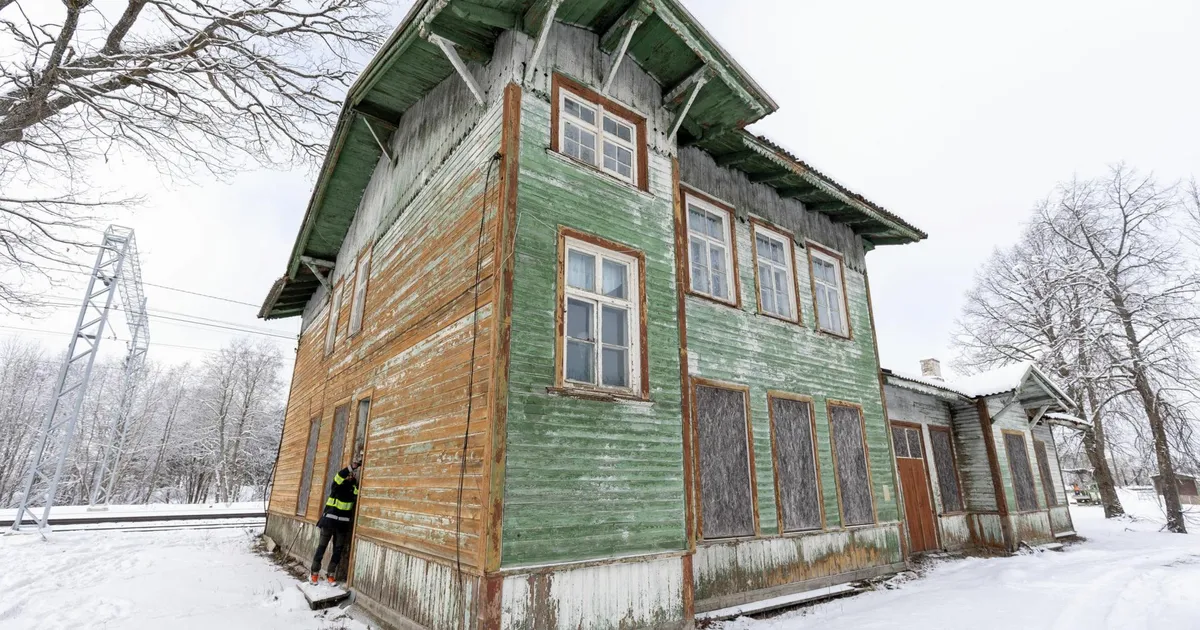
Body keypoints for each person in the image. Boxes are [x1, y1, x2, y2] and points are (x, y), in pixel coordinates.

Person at [310, 456, 361, 585]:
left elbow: (358, 493)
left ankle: (331, 575)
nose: (349, 477)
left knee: (337, 551)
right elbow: (339, 475)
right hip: (329, 523)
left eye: (351, 476)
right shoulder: (336, 486)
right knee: (321, 548)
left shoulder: (353, 490)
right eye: (348, 475)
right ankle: (314, 574)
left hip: (342, 526)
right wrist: (352, 467)